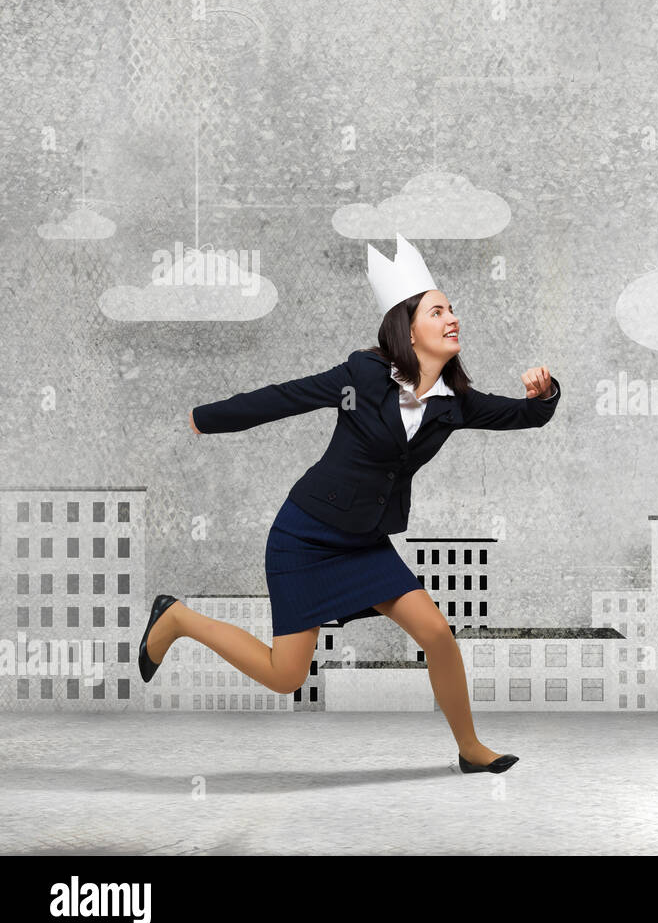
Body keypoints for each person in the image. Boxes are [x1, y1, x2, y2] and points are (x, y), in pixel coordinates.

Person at [137, 234, 560, 774]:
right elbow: (285, 397)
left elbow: (529, 415)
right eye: (438, 311)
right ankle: (177, 619)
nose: (452, 318)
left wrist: (543, 393)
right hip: (305, 537)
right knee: (285, 676)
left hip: (365, 544)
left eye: (452, 309)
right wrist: (207, 417)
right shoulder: (361, 377)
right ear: (408, 329)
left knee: (436, 634)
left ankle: (470, 749)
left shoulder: (455, 404)